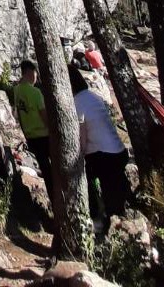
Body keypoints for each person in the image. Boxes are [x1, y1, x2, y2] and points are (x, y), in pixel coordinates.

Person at [69, 63, 131, 231]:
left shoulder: (77, 103)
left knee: (82, 176)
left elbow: (82, 136)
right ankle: (117, 217)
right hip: (117, 150)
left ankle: (97, 217)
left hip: (103, 155)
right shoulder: (93, 96)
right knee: (114, 187)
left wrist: (79, 156)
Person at [13, 58, 52, 195]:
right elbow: (43, 114)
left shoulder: (17, 91)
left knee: (45, 168)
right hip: (44, 135)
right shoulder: (35, 93)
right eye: (36, 74)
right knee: (54, 169)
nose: (36, 78)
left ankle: (52, 197)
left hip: (30, 136)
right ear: (30, 73)